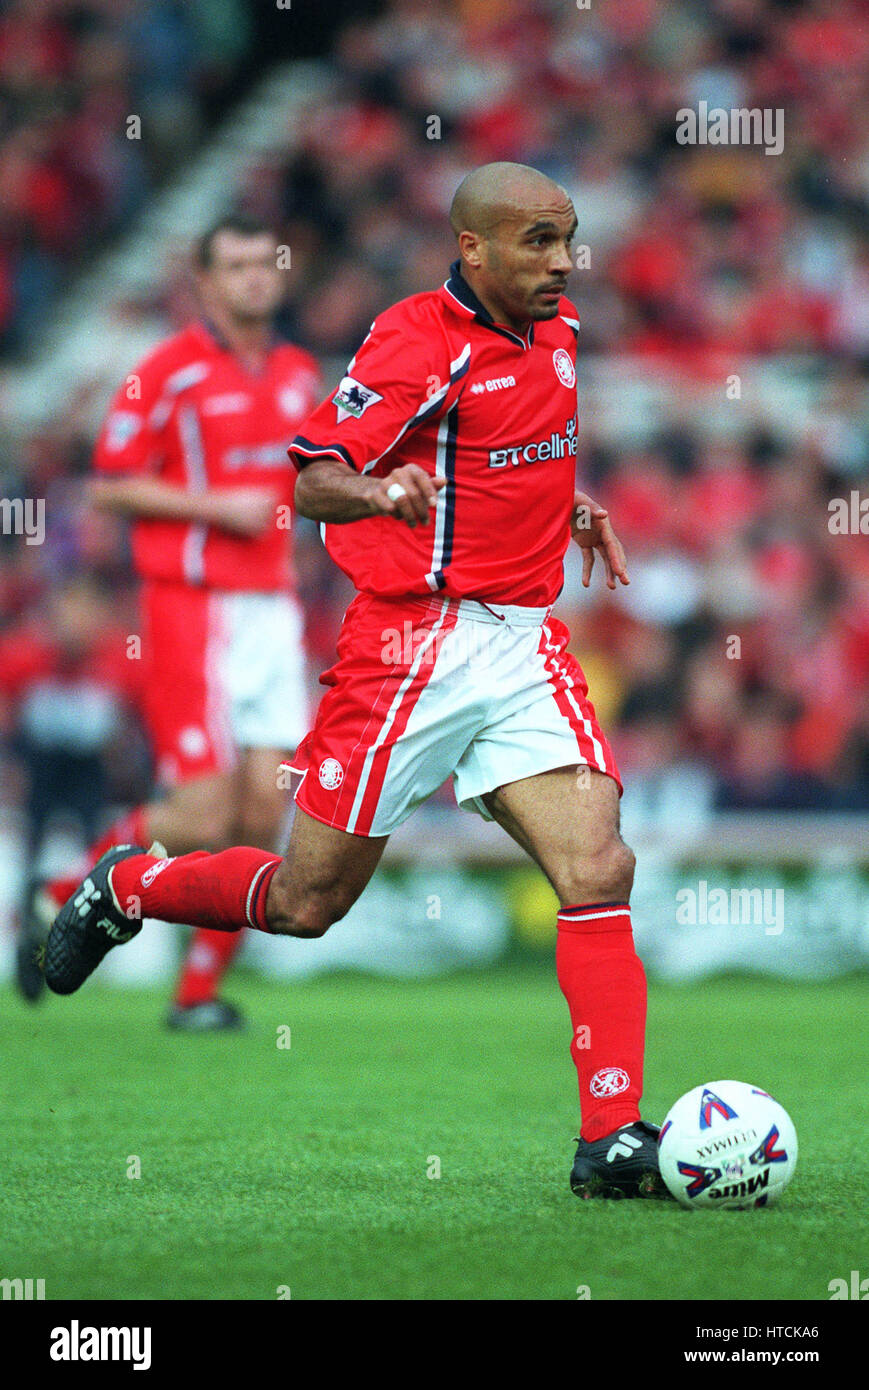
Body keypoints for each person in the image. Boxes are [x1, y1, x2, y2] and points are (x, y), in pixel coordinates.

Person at [44, 163, 668, 1198]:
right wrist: (382, 490)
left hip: (518, 644)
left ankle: (607, 1138)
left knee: (597, 866)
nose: (562, 262)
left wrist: (568, 502)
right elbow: (317, 474)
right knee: (304, 901)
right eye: (536, 242)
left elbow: (506, 451)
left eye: (566, 238)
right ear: (471, 249)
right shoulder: (411, 340)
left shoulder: (554, 334)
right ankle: (128, 883)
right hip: (407, 650)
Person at [28, 214, 321, 1030]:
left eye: (266, 260)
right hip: (193, 607)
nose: (256, 277)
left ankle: (193, 994)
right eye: (236, 264)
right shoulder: (165, 371)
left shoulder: (299, 371)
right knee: (200, 813)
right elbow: (108, 481)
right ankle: (71, 896)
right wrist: (210, 505)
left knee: (265, 815)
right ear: (204, 280)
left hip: (273, 610)